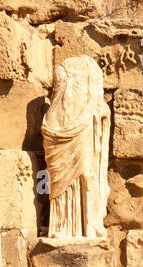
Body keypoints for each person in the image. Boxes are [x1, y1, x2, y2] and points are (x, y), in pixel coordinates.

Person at [42, 56, 110, 241]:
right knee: (59, 181)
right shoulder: (62, 70)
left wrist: (90, 116)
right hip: (58, 128)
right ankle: (61, 226)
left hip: (81, 126)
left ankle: (89, 225)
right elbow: (57, 100)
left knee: (87, 174)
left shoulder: (91, 69)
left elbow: (96, 100)